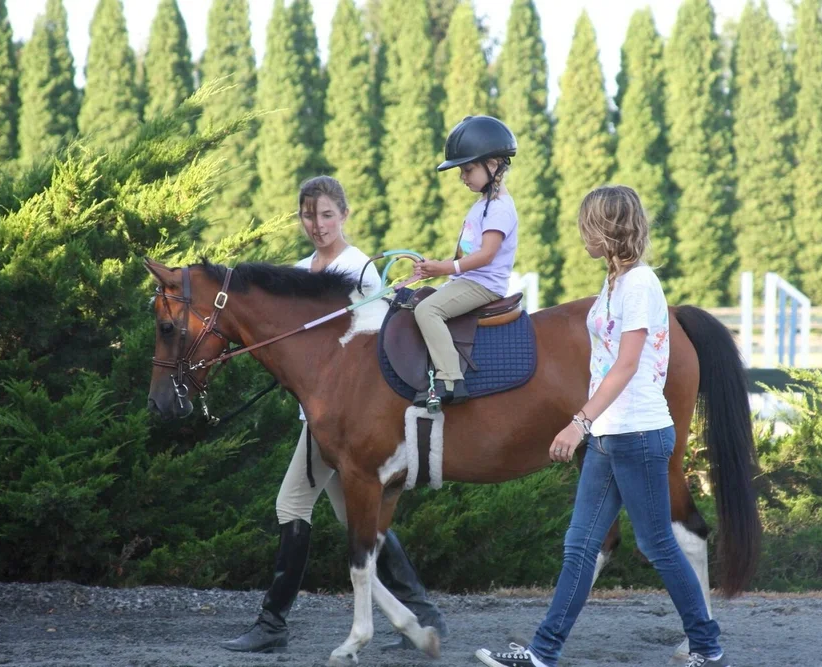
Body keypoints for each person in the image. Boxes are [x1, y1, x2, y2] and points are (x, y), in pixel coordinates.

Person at [475, 186, 730, 667]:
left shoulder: (640, 285)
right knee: (579, 547)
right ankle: (542, 654)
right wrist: (592, 427)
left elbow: (628, 363)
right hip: (609, 436)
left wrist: (578, 422)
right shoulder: (614, 285)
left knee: (657, 546)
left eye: (587, 226)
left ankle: (708, 644)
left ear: (608, 230)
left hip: (637, 433)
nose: (581, 235)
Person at [220, 176, 447, 653]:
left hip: (349, 422)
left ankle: (272, 623)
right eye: (308, 215)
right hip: (323, 420)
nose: (317, 225)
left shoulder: (358, 269)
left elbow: (368, 338)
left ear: (343, 214)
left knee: (292, 505)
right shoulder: (301, 271)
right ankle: (422, 614)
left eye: (326, 215)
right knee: (358, 522)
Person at [412, 115, 520, 408]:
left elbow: (485, 255)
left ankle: (450, 380)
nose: (463, 176)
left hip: (484, 285)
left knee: (427, 311)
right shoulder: (483, 205)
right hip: (469, 280)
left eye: (468, 169)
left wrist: (445, 268)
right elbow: (466, 255)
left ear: (493, 165)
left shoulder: (499, 209)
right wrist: (430, 270)